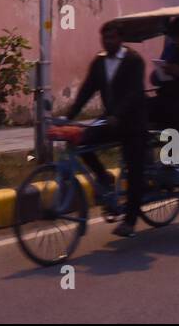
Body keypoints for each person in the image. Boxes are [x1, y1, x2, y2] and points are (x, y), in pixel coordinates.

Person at [63, 21, 147, 237]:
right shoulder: (99, 62)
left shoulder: (134, 60)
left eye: (112, 38)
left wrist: (118, 115)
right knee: (80, 140)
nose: (107, 42)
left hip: (133, 122)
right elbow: (87, 90)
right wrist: (68, 117)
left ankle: (130, 221)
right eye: (104, 38)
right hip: (110, 120)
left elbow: (135, 93)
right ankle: (103, 176)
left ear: (121, 39)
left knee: (134, 168)